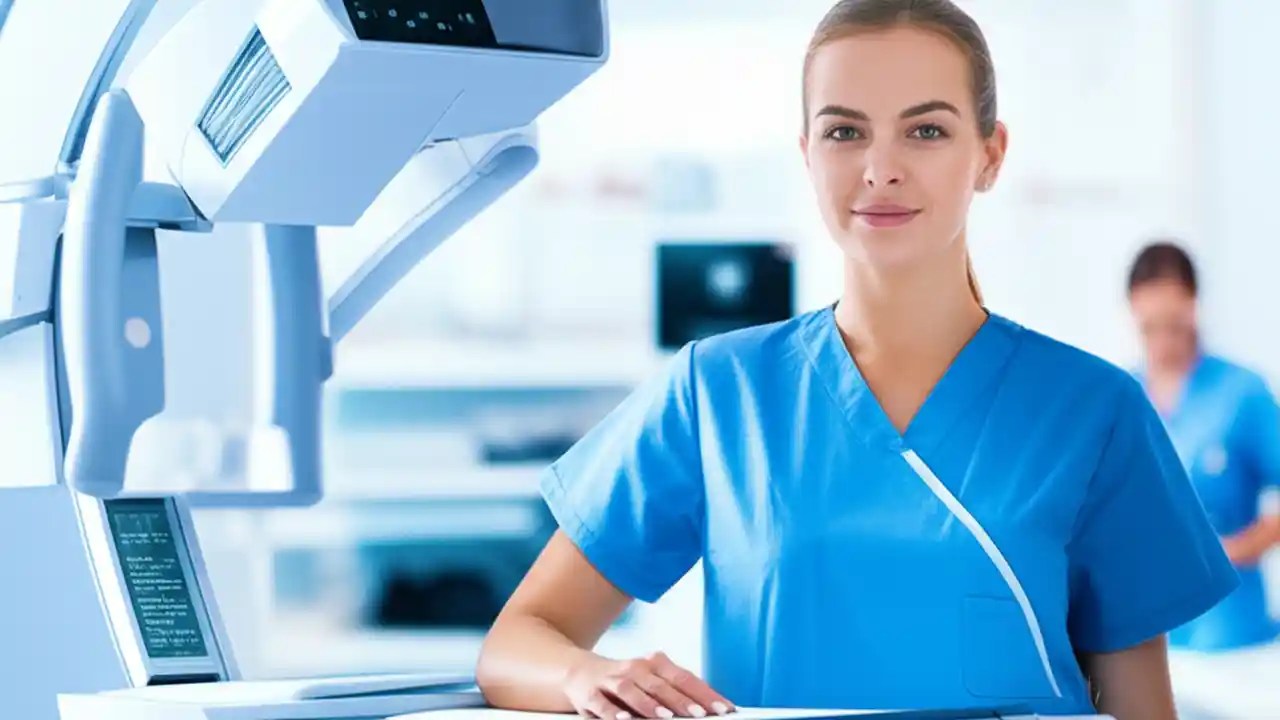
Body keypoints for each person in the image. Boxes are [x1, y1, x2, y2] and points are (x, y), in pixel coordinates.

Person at [475, 2, 1238, 718]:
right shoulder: (719, 394)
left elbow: (1141, 707)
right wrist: (591, 675)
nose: (880, 168)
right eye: (845, 132)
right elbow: (518, 641)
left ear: (990, 154)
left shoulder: (1094, 412)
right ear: (807, 155)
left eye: (926, 131)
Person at [1127, 241, 1280, 717]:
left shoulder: (1241, 392)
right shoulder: (1122, 397)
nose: (1163, 340)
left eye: (1174, 323)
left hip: (1233, 646)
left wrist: (1232, 552)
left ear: (1194, 306)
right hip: (1151, 645)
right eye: (1150, 327)